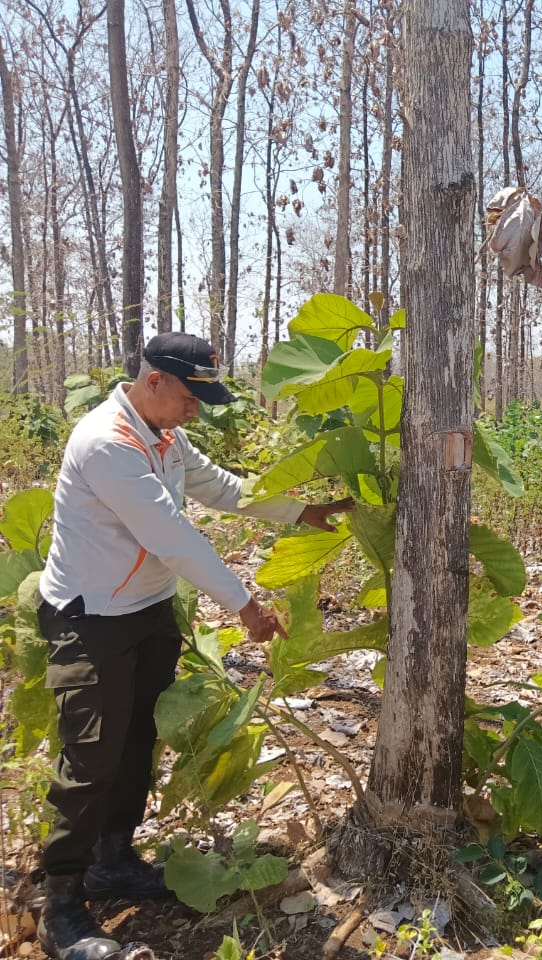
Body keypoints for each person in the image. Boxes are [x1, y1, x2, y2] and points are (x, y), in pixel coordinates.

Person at [35, 332, 354, 960]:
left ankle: (113, 861)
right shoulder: (107, 443)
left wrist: (301, 512)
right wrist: (244, 605)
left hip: (147, 612)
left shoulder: (164, 434)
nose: (195, 412)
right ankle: (62, 903)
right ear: (153, 381)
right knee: (92, 757)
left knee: (137, 741)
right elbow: (172, 536)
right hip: (91, 617)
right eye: (190, 398)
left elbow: (220, 487)